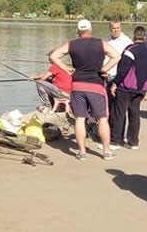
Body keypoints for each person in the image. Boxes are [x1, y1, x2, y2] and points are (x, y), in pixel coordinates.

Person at [49, 20, 121, 160]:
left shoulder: (72, 44)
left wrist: (66, 68)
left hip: (77, 86)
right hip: (96, 85)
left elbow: (53, 56)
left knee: (80, 119)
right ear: (91, 29)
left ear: (78, 31)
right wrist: (105, 69)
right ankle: (106, 152)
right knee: (102, 119)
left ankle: (82, 152)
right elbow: (117, 56)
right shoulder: (100, 43)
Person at [109, 26, 147, 149]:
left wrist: (115, 83)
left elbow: (123, 68)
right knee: (135, 114)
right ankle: (133, 141)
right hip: (140, 89)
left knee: (118, 113)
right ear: (145, 37)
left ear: (134, 36)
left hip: (126, 87)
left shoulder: (130, 50)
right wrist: (146, 88)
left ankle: (116, 140)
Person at [105, 20, 134, 142]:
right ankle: (112, 132)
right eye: (113, 28)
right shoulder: (107, 41)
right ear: (110, 28)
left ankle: (120, 135)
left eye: (117, 28)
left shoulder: (127, 42)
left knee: (120, 109)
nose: (115, 30)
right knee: (111, 108)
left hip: (120, 78)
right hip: (107, 76)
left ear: (121, 28)